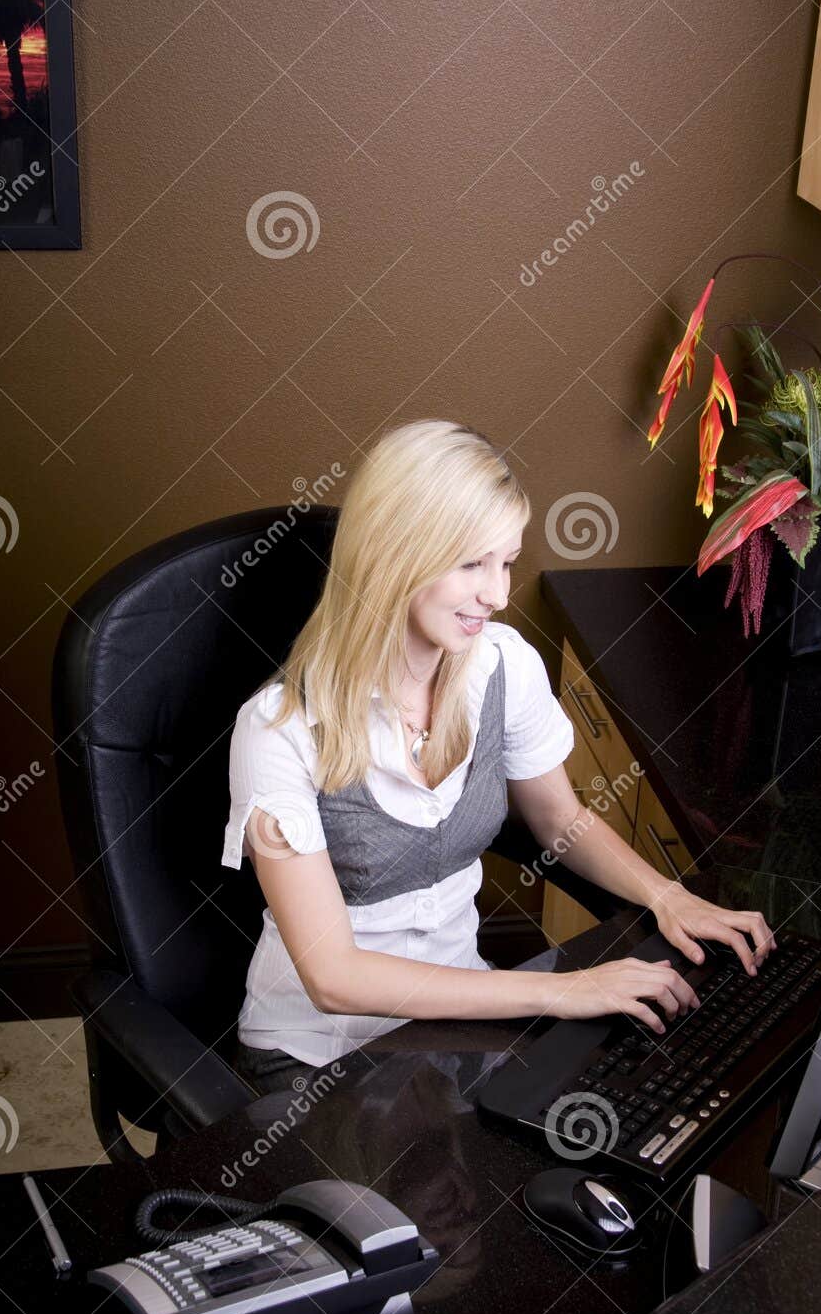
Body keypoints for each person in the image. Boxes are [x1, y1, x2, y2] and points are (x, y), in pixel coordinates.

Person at [220, 419, 774, 1096]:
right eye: (470, 564)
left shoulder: (501, 666)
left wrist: (668, 897)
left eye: (505, 561)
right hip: (315, 1055)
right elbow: (332, 977)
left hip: (457, 1029)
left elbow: (557, 821)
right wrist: (560, 991)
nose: (499, 594)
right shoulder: (277, 729)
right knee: (400, 1204)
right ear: (393, 556)